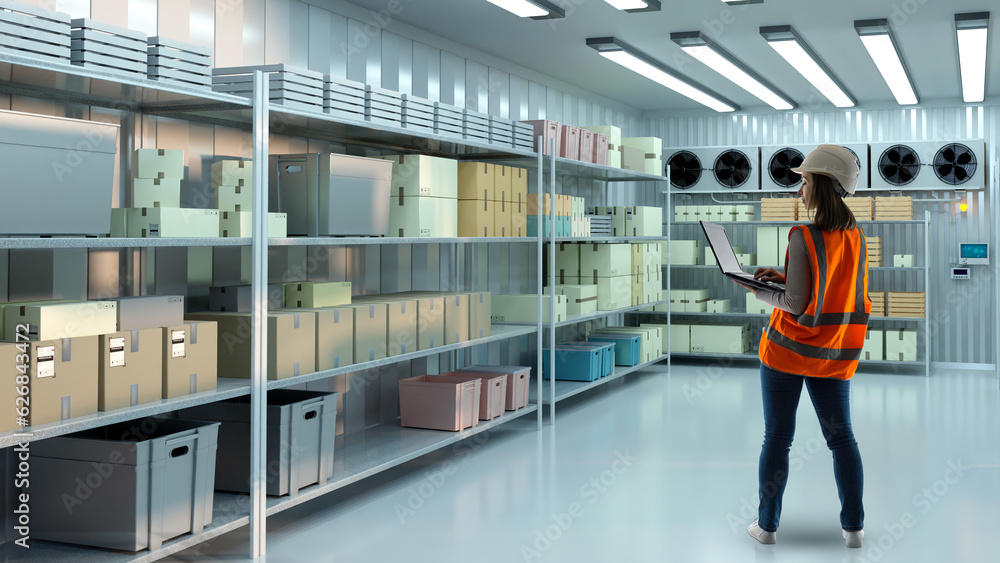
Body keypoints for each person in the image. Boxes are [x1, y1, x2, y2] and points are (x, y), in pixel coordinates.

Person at [733, 145, 869, 549]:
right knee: (842, 439)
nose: (800, 190)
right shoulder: (855, 236)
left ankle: (767, 527)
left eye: (805, 181)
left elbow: (794, 303)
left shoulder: (803, 234)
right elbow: (828, 287)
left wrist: (759, 290)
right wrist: (786, 274)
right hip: (833, 354)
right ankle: (854, 529)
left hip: (787, 353)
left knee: (777, 438)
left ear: (824, 185)